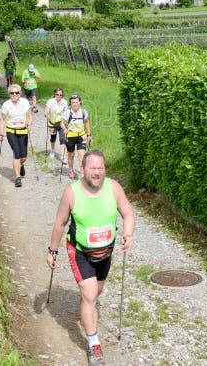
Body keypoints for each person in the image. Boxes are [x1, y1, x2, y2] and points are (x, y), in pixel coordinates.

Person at [46, 150, 134, 366]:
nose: (97, 172)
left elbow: (128, 213)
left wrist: (128, 233)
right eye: (93, 168)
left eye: (100, 168)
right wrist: (53, 251)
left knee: (97, 292)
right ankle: (94, 344)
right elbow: (60, 223)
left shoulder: (113, 188)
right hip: (80, 252)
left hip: (105, 253)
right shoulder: (71, 193)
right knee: (90, 293)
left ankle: (86, 303)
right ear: (83, 169)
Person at [0, 84, 33, 188]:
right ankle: (17, 177)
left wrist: (29, 124)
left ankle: (21, 164)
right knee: (16, 153)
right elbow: (2, 120)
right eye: (12, 93)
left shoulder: (25, 102)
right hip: (11, 131)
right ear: (9, 94)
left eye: (16, 92)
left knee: (24, 156)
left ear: (20, 93)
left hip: (23, 131)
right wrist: (1, 132)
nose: (14, 94)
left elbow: (30, 115)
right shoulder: (6, 105)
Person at [61, 93, 91, 180]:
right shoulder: (67, 112)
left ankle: (82, 175)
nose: (75, 104)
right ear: (70, 103)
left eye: (76, 102)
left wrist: (89, 134)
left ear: (80, 102)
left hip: (81, 136)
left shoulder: (83, 112)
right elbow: (62, 123)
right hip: (70, 136)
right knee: (71, 155)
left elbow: (86, 122)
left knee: (82, 156)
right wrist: (64, 129)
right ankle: (71, 170)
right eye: (73, 102)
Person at [44, 87, 69, 160]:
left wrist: (64, 120)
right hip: (52, 123)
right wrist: (46, 114)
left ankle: (63, 155)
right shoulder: (50, 101)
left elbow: (66, 112)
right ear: (54, 94)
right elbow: (46, 111)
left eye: (61, 95)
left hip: (61, 123)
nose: (59, 96)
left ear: (62, 95)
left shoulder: (65, 102)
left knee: (62, 139)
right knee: (53, 138)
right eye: (57, 94)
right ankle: (52, 150)